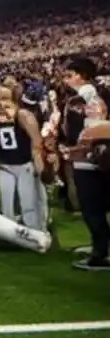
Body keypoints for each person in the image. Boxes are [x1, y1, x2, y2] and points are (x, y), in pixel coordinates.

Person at [60, 57, 110, 271]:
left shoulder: (87, 98)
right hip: (95, 157)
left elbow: (91, 131)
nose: (65, 80)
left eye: (69, 75)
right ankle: (101, 247)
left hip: (89, 159)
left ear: (80, 75)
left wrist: (73, 150)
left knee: (92, 208)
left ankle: (101, 253)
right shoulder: (94, 94)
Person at [0, 82, 46, 233]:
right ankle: (10, 232)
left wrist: (37, 158)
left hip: (24, 163)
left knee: (29, 200)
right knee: (6, 201)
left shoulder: (22, 115)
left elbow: (36, 139)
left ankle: (34, 231)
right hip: (5, 165)